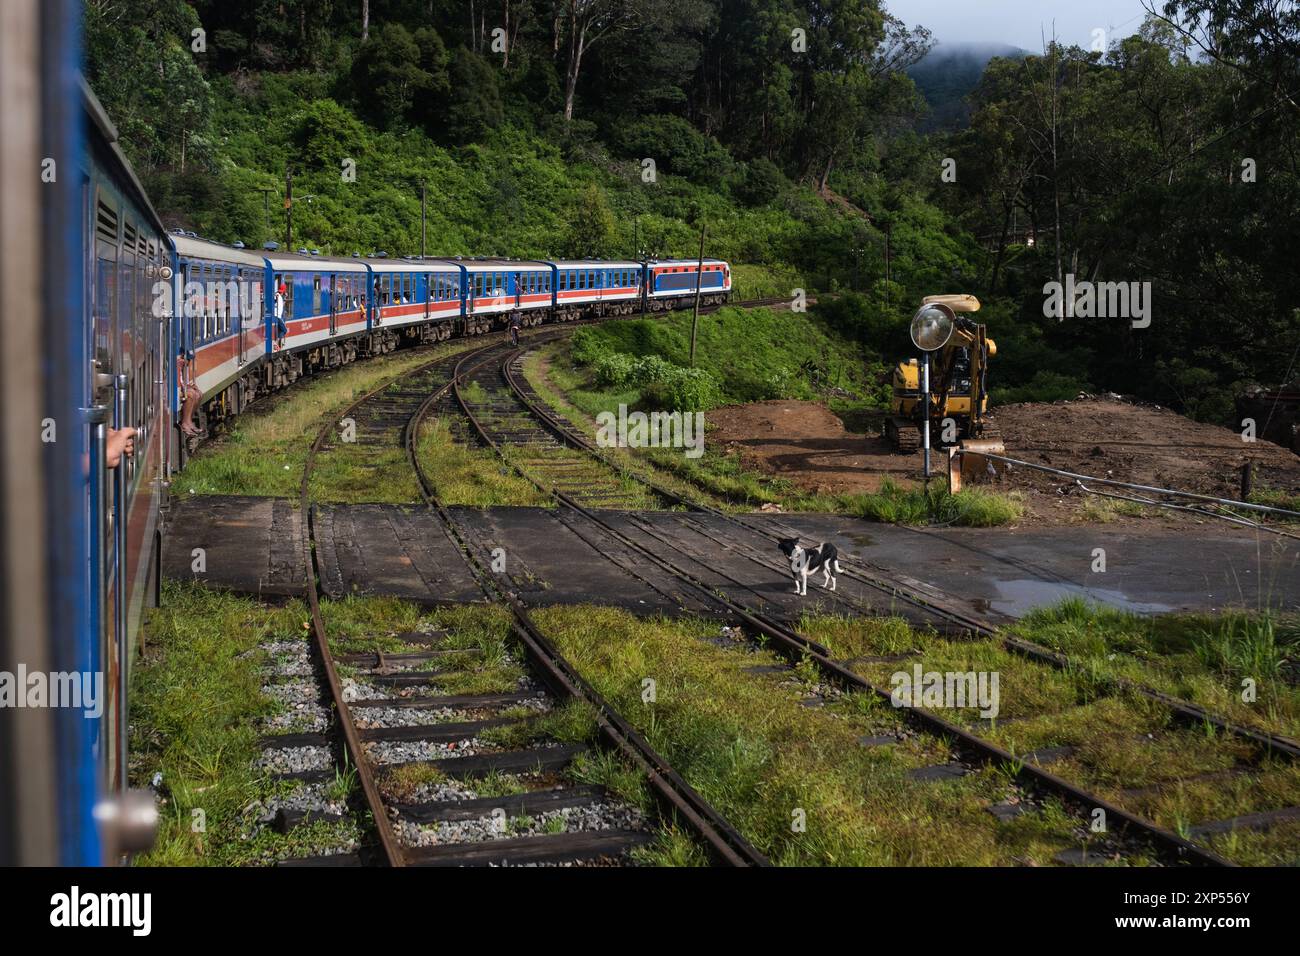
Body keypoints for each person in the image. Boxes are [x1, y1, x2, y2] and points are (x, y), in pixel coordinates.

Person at [177, 346, 202, 437]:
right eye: (188, 359)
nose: (189, 362)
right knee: (191, 395)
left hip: (181, 388)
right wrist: (187, 387)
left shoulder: (185, 367)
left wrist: (191, 386)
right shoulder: (178, 366)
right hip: (174, 391)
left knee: (198, 394)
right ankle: (185, 423)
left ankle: (189, 421)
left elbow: (185, 382)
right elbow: (179, 382)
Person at [273, 281, 288, 349]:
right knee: (284, 330)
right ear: (284, 290)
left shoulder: (279, 296)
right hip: (277, 316)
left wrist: (285, 298)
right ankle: (276, 343)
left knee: (280, 330)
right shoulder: (277, 295)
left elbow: (281, 305)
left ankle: (277, 343)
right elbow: (274, 301)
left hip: (278, 316)